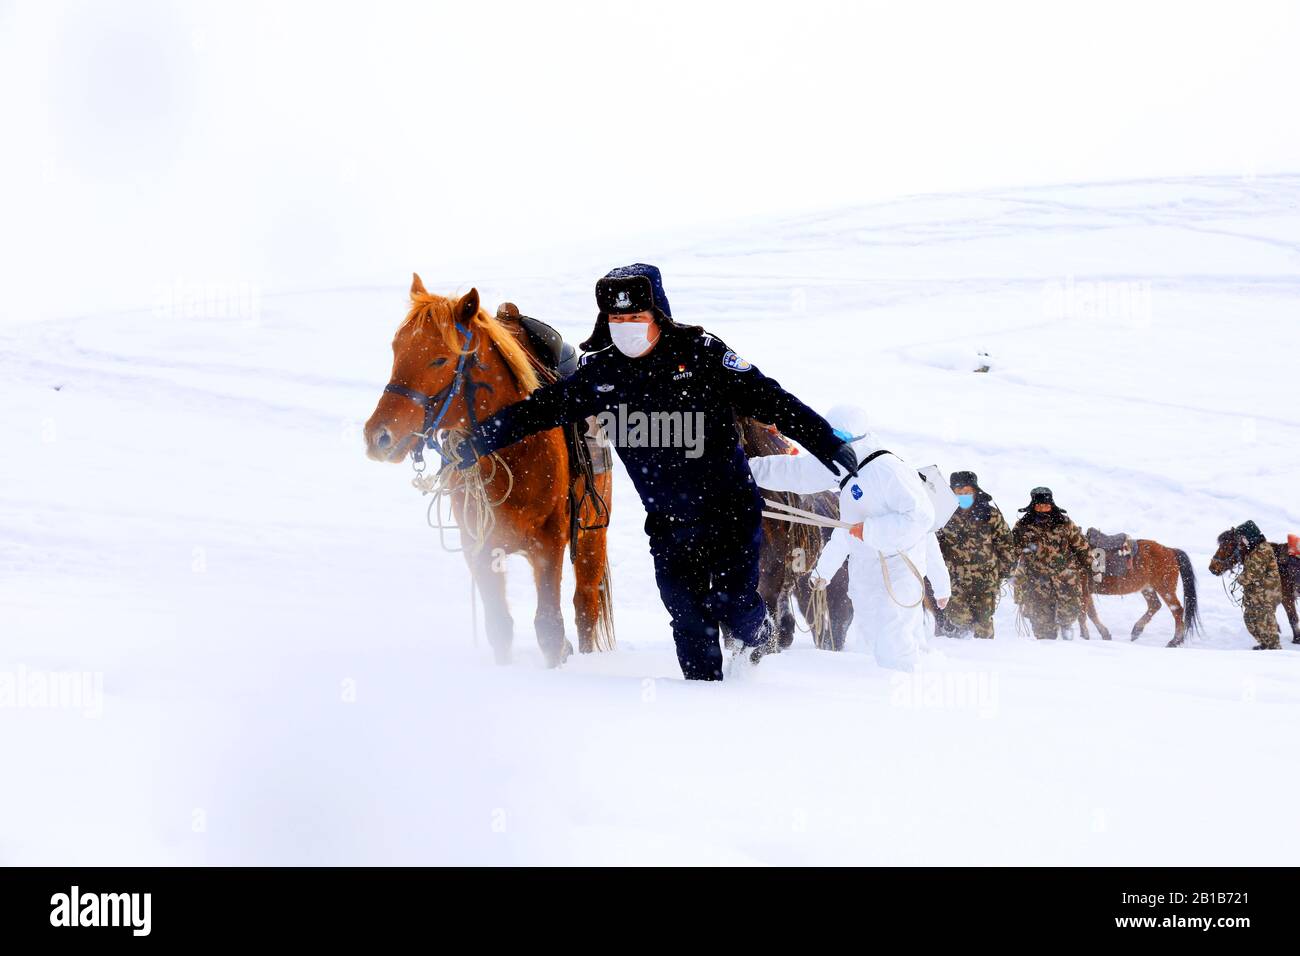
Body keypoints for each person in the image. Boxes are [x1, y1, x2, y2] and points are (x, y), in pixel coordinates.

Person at [456, 263, 859, 680]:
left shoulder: (702, 354)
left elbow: (770, 398)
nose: (626, 326)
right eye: (617, 319)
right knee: (687, 618)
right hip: (668, 523)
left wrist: (827, 443)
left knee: (733, 604)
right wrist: (476, 442)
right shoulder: (602, 374)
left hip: (729, 512)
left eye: (636, 318)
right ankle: (705, 702)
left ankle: (757, 635)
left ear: (658, 314)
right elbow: (538, 411)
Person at [747, 405, 935, 671]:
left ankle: (905, 684)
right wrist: (742, 466)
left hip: (897, 566)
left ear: (853, 436)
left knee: (895, 636)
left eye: (834, 434)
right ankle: (878, 687)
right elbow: (796, 473)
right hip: (865, 565)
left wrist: (872, 530)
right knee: (872, 633)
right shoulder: (843, 463)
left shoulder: (888, 469)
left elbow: (920, 517)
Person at [936, 470, 1016, 639]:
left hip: (986, 578)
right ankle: (963, 640)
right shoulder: (943, 514)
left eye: (967, 492)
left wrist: (1006, 570)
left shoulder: (989, 514)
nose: (963, 496)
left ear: (975, 491)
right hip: (954, 578)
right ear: (951, 493)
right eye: (958, 492)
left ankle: (984, 654)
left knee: (984, 619)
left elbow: (1005, 542)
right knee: (958, 617)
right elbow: (934, 544)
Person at [1011, 487, 1091, 640]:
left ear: (1052, 504)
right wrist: (1007, 569)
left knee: (1070, 612)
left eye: (1046, 505)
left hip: (1066, 580)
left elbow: (1082, 547)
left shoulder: (1065, 523)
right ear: (1033, 505)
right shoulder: (1023, 526)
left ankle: (1066, 627)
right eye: (1038, 505)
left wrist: (1091, 567)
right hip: (1037, 583)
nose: (1042, 509)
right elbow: (1012, 550)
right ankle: (1046, 652)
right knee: (1042, 627)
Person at [1232, 521, 1284, 650]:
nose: (1242, 541)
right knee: (1249, 618)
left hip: (1267, 593)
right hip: (1256, 593)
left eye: (1243, 537)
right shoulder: (1254, 549)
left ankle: (1274, 647)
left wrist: (1240, 579)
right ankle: (1264, 643)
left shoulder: (1262, 550)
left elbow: (1252, 574)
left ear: (1250, 536)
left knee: (1265, 619)